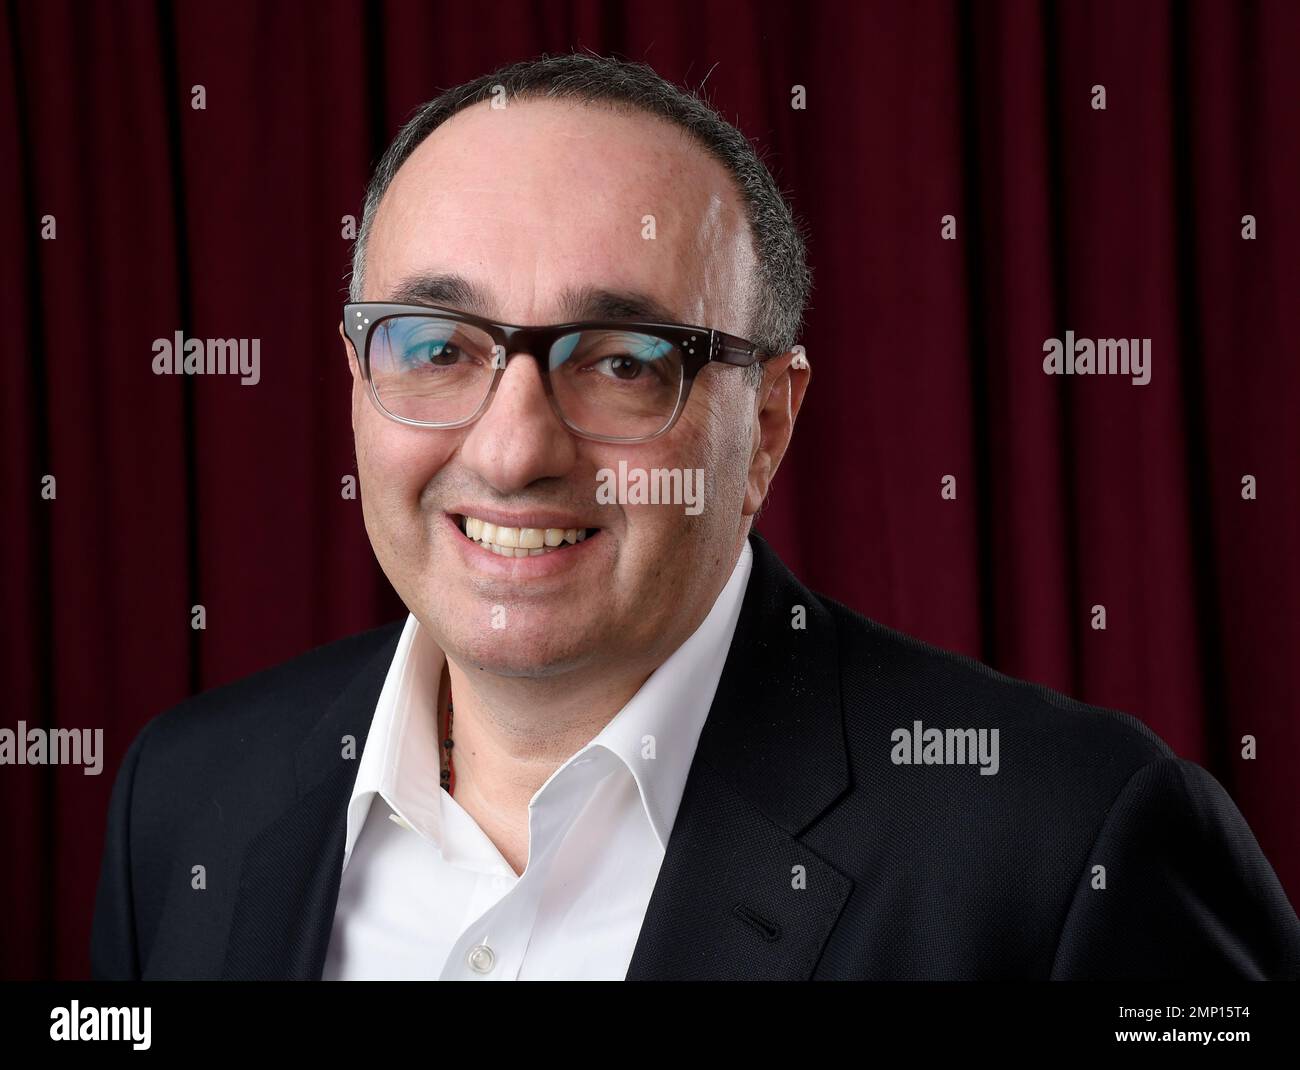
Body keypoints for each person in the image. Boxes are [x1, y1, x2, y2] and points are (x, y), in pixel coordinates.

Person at [91, 52, 1300, 981]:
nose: (512, 450)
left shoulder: (1069, 845)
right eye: (438, 346)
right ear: (357, 379)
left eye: (621, 360)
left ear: (768, 419)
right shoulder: (183, 799)